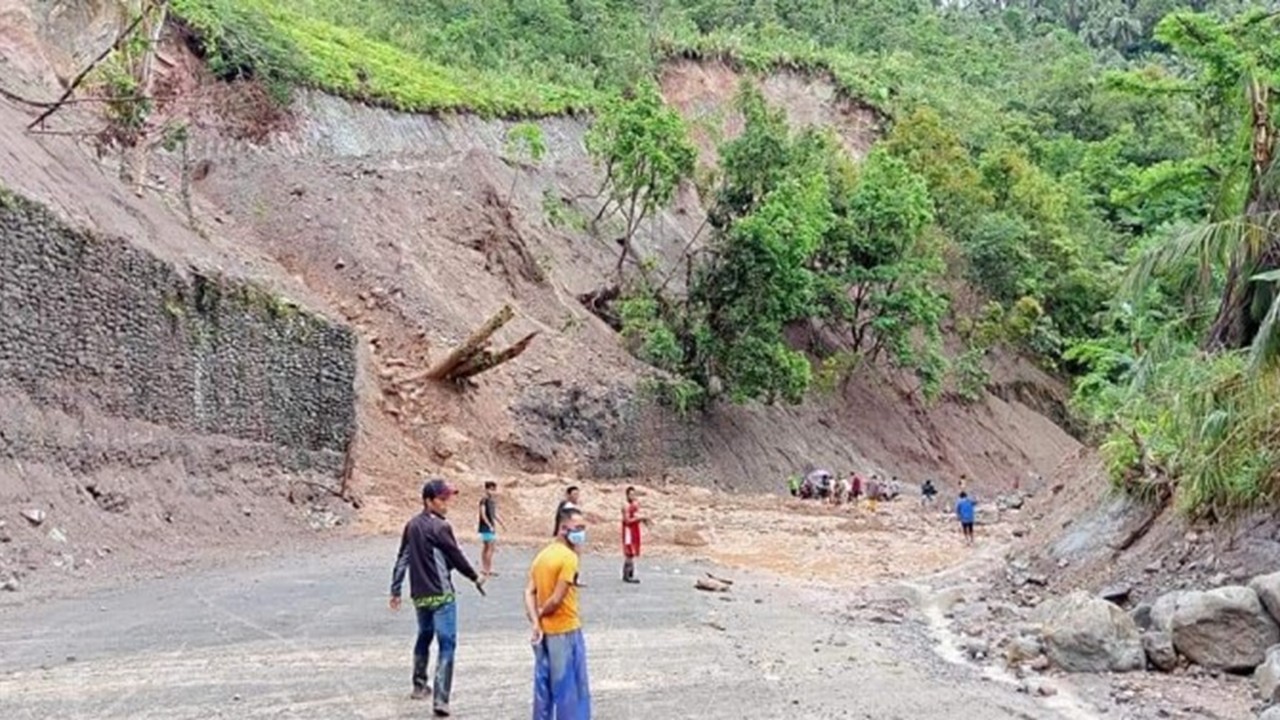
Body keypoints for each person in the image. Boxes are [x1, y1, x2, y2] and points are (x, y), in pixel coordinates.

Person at [390, 479, 487, 716]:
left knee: (424, 635)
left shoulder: (411, 525)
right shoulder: (441, 527)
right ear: (428, 501)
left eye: (447, 499)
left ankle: (419, 685)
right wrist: (474, 577)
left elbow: (403, 558)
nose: (446, 504)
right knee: (447, 643)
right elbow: (456, 555)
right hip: (442, 595)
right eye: (442, 500)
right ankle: (441, 700)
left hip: (420, 596)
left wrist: (396, 589)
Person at [527, 507, 592, 719]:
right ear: (563, 528)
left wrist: (535, 622)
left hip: (544, 632)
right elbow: (556, 600)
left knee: (543, 688)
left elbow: (529, 591)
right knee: (571, 690)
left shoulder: (542, 556)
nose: (581, 533)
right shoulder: (569, 558)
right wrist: (541, 612)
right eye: (578, 528)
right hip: (566, 629)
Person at [621, 486, 650, 584]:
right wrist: (639, 519)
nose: (632, 496)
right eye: (631, 494)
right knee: (629, 551)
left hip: (634, 529)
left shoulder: (635, 504)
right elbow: (627, 520)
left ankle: (630, 573)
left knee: (633, 549)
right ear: (627, 495)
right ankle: (627, 574)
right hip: (628, 529)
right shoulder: (625, 506)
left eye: (634, 494)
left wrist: (643, 519)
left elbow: (636, 515)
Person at [478, 480, 507, 577]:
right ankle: (487, 570)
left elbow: (494, 515)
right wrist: (489, 525)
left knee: (487, 547)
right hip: (486, 527)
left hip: (491, 526)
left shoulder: (492, 501)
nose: (493, 491)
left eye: (494, 489)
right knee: (490, 547)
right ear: (486, 489)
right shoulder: (484, 500)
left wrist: (501, 523)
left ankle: (485, 569)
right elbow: (482, 514)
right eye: (491, 489)